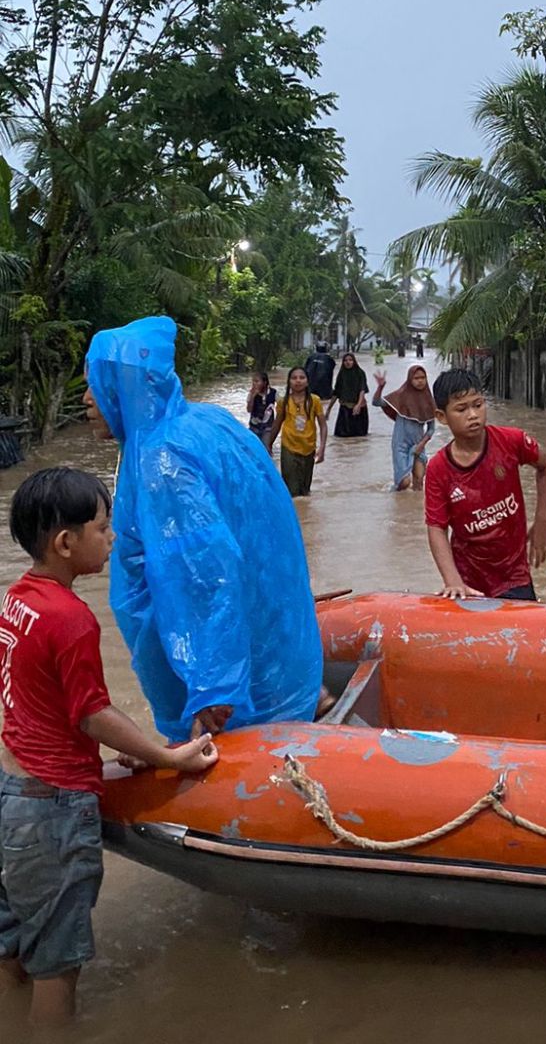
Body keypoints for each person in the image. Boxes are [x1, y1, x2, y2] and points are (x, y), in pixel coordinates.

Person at [0, 467, 216, 1028]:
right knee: (57, 966)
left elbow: (37, 699)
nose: (114, 536)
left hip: (10, 791)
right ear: (66, 543)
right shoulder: (71, 618)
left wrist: (121, 744)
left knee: (10, 942)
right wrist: (167, 755)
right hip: (51, 809)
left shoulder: (17, 602)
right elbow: (92, 712)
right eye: (103, 526)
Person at [83, 316, 324, 741]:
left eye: (98, 385)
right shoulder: (207, 423)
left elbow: (204, 575)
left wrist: (213, 690)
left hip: (244, 704)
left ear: (124, 389)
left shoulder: (163, 460)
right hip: (282, 665)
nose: (87, 399)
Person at [424, 369, 546, 600]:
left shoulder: (511, 441)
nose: (473, 415)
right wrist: (452, 580)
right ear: (442, 416)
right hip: (468, 579)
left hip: (514, 574)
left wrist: (542, 521)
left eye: (478, 405)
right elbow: (436, 527)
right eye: (462, 409)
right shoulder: (438, 468)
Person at [372, 365, 435, 491]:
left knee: (419, 480)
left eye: (423, 378)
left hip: (418, 445)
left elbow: (431, 429)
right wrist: (380, 387)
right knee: (404, 482)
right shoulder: (400, 395)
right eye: (416, 378)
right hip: (400, 445)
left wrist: (422, 444)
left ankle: (415, 510)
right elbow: (376, 402)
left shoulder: (429, 400)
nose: (420, 381)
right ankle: (397, 500)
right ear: (410, 379)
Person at [270, 366, 328, 498]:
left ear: (307, 381)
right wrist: (268, 445)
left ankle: (305, 516)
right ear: (289, 381)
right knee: (292, 491)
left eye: (302, 378)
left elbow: (323, 425)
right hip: (289, 447)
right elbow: (277, 424)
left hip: (309, 447)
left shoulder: (315, 400)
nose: (298, 381)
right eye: (294, 378)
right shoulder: (283, 401)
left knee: (305, 490)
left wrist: (322, 448)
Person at [332, 352, 369, 438]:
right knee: (340, 436)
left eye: (350, 360)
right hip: (345, 408)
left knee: (360, 437)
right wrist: (328, 410)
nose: (348, 362)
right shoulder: (341, 374)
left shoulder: (360, 373)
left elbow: (362, 390)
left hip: (359, 409)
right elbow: (336, 392)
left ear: (354, 361)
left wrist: (358, 405)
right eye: (345, 360)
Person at [303, 342, 335, 412]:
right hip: (324, 388)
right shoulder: (329, 358)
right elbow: (331, 368)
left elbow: (305, 369)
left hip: (310, 386)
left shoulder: (311, 357)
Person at [246, 371, 276, 441]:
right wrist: (253, 397)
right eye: (253, 381)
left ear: (265, 382)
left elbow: (281, 407)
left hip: (268, 427)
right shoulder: (251, 393)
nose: (254, 384)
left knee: (266, 447)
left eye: (257, 381)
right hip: (254, 426)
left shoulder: (273, 393)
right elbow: (249, 410)